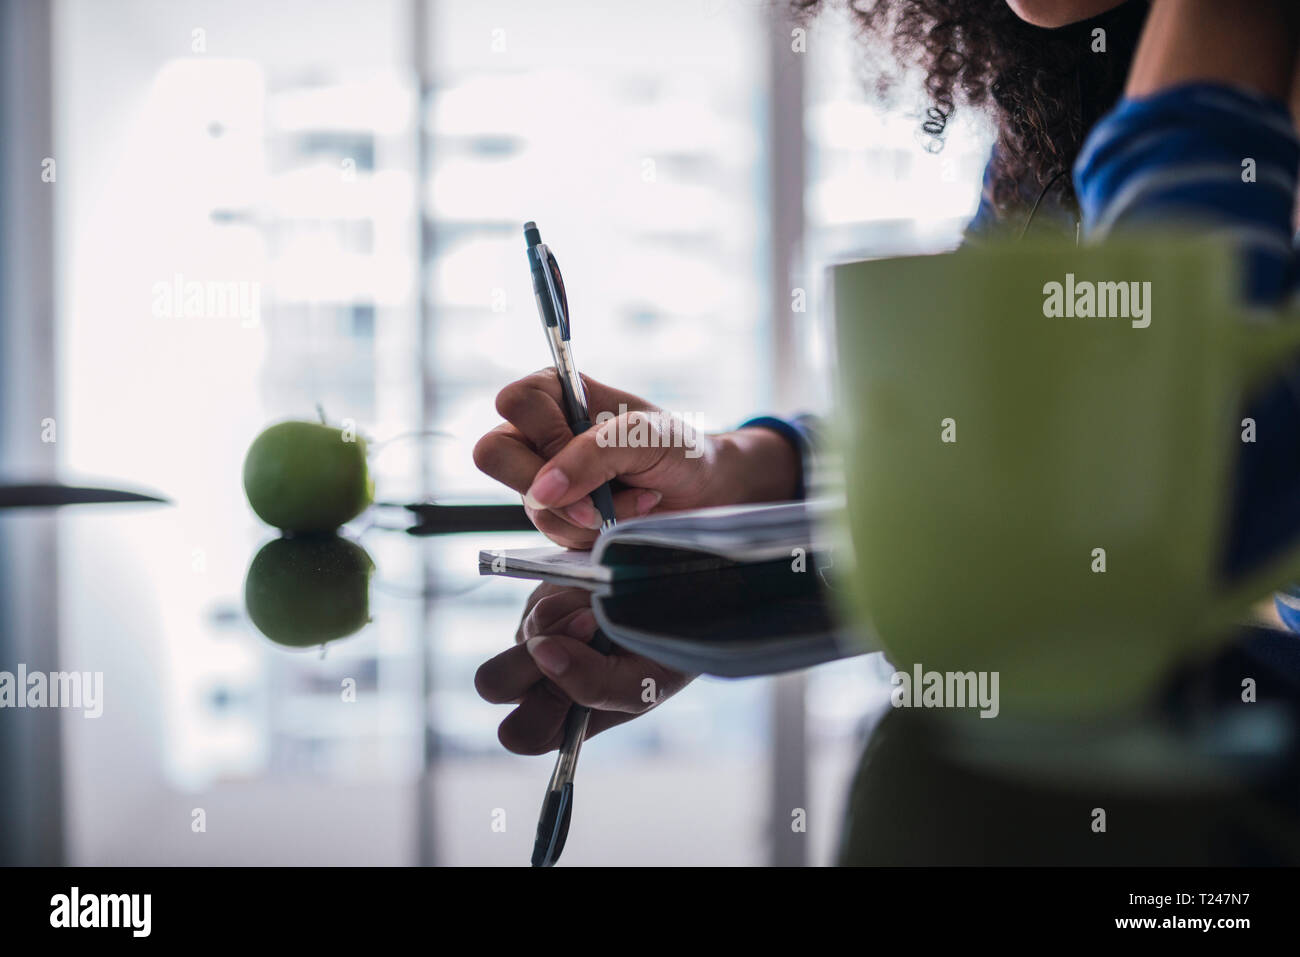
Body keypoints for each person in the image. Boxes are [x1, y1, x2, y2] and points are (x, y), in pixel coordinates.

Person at [474, 0, 1300, 749]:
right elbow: (997, 429)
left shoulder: (1185, 101)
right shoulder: (1077, 99)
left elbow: (1175, 487)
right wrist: (730, 469)